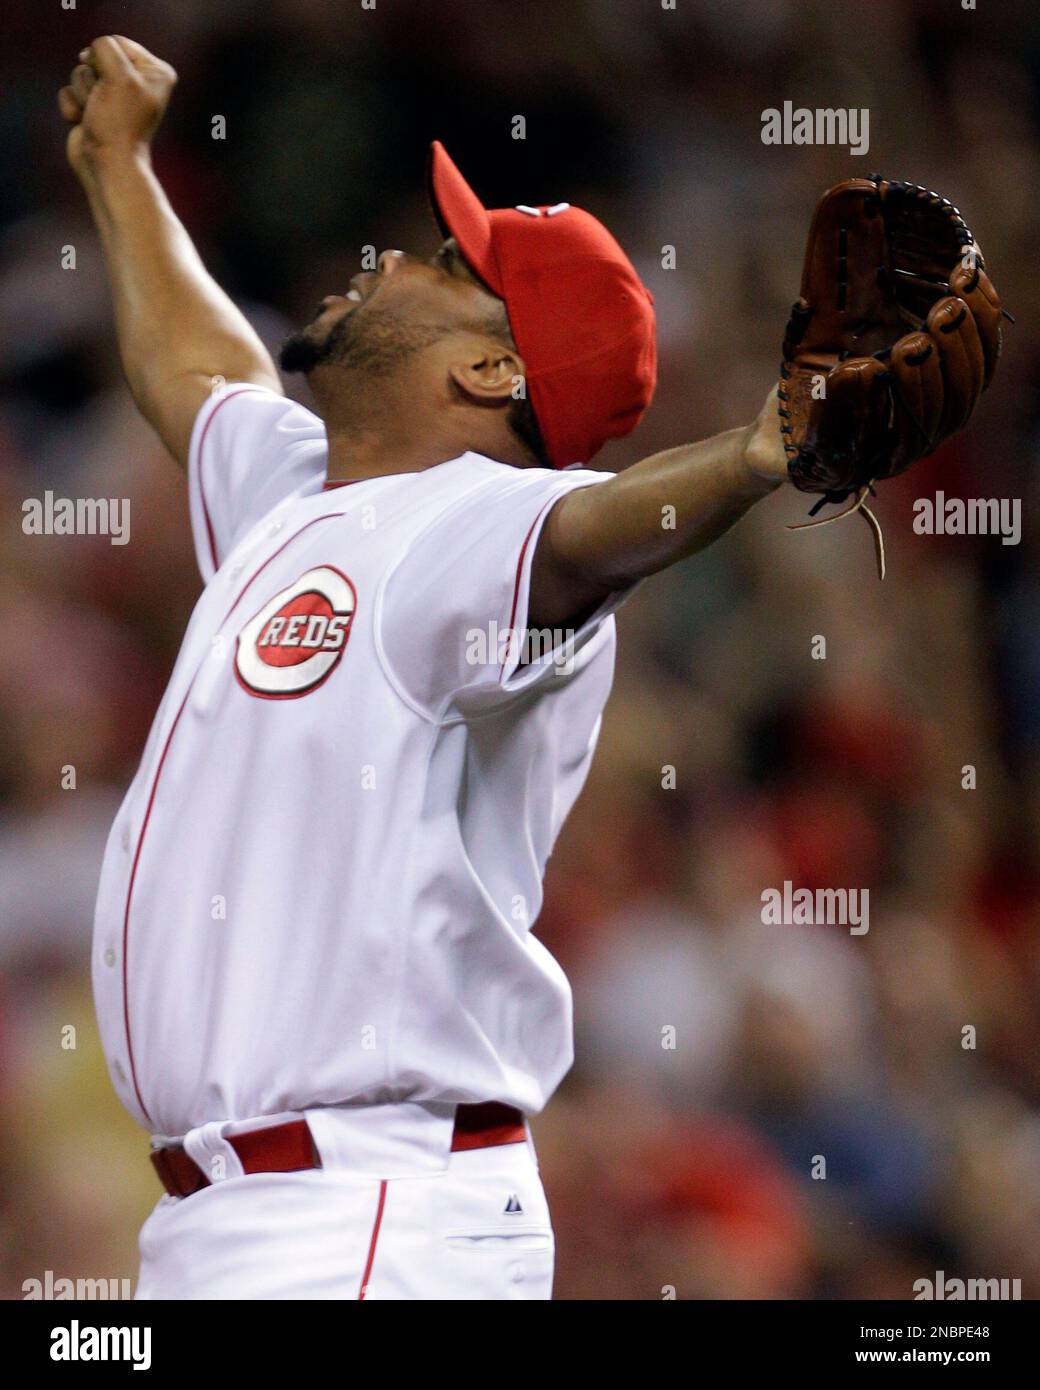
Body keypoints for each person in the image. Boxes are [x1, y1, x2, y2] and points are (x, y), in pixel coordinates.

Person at [60, 34, 786, 1300]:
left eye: (447, 263)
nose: (393, 253)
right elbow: (199, 369)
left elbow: (590, 533)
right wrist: (118, 163)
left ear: (490, 370)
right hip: (247, 1217)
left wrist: (758, 458)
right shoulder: (307, 498)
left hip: (364, 1204)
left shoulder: (479, 520)